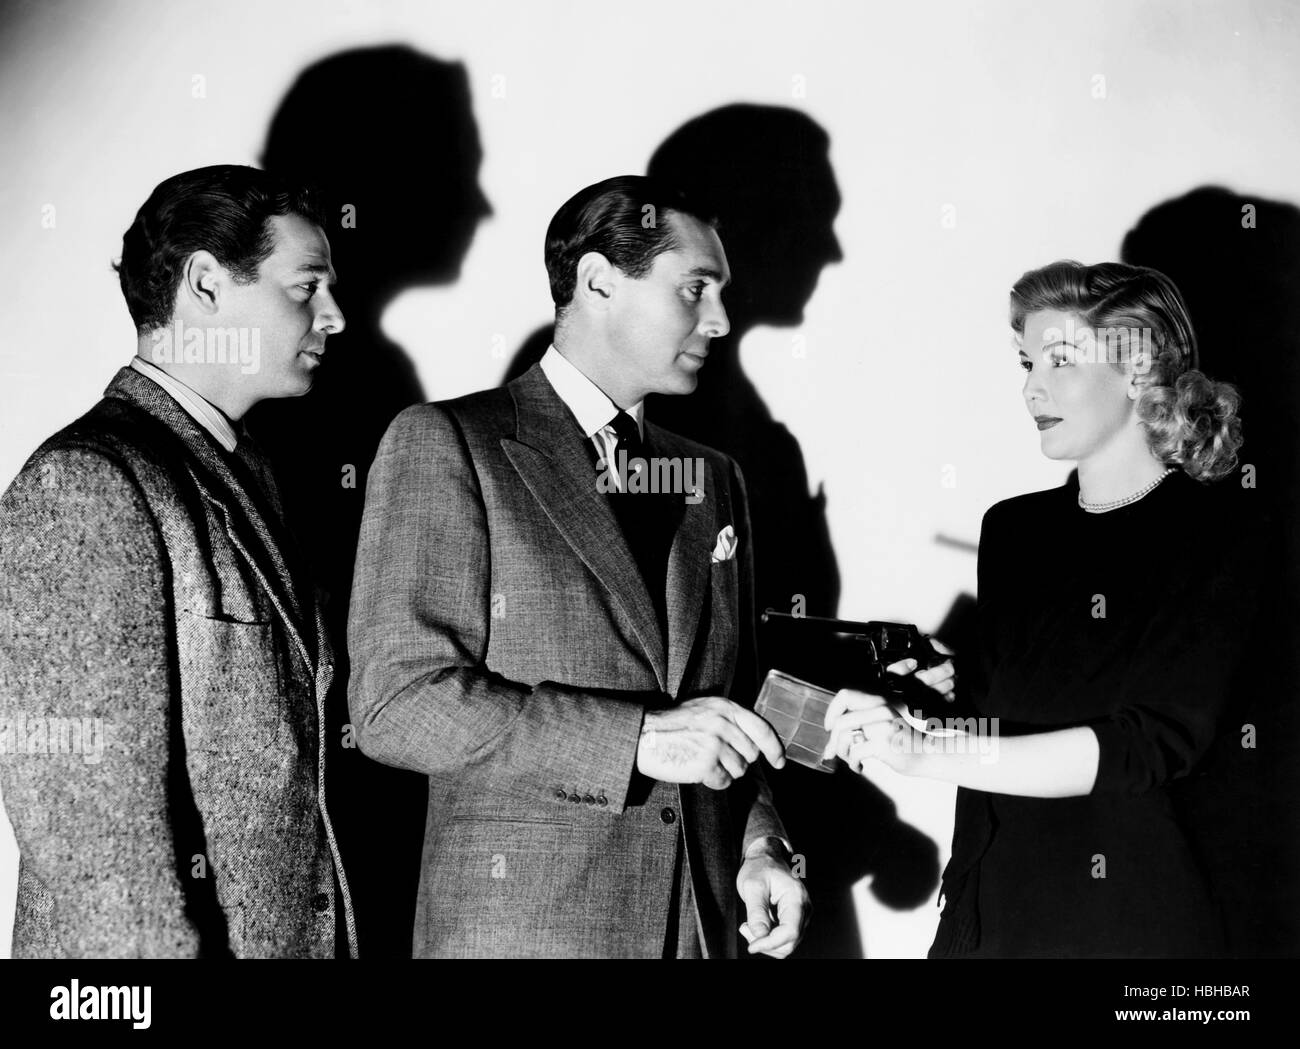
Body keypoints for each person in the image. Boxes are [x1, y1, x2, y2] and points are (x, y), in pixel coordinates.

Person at [348, 175, 810, 958]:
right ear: (597, 280)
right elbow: (397, 704)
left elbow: (730, 704)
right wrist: (633, 740)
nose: (722, 319)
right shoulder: (448, 443)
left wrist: (762, 844)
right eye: (694, 287)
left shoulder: (713, 477)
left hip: (699, 936)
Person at [825, 260, 1266, 957]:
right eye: (1028, 362)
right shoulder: (1014, 530)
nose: (1032, 388)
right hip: (989, 909)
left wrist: (927, 754)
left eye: (1060, 361)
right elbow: (1013, 720)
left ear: (1137, 366)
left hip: (1132, 927)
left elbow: (1146, 743)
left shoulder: (1217, 534)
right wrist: (944, 693)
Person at [0, 165, 354, 957]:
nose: (333, 316)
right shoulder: (88, 480)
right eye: (306, 287)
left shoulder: (249, 470)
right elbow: (88, 830)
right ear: (205, 284)